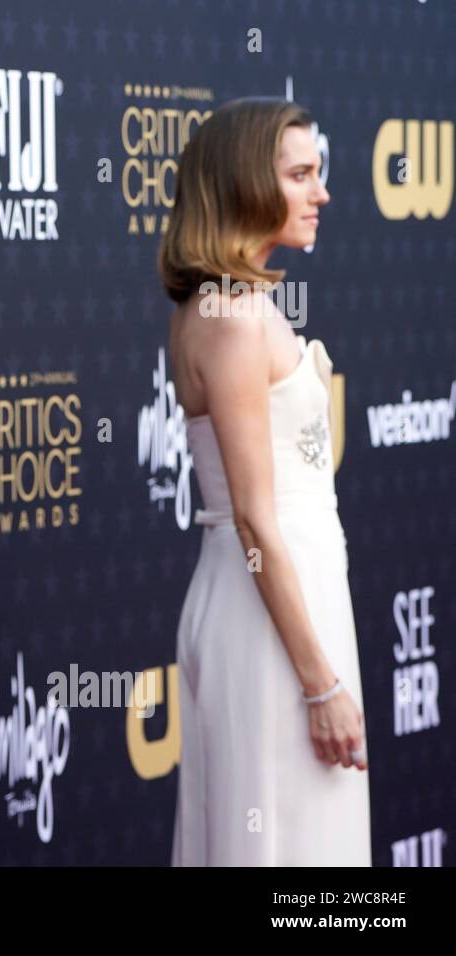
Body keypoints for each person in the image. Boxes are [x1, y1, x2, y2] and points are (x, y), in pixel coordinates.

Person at [159, 97, 370, 865]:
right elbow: (254, 517)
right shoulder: (229, 314)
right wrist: (321, 687)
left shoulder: (233, 304)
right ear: (249, 182)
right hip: (269, 617)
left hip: (286, 604)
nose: (322, 193)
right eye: (301, 174)